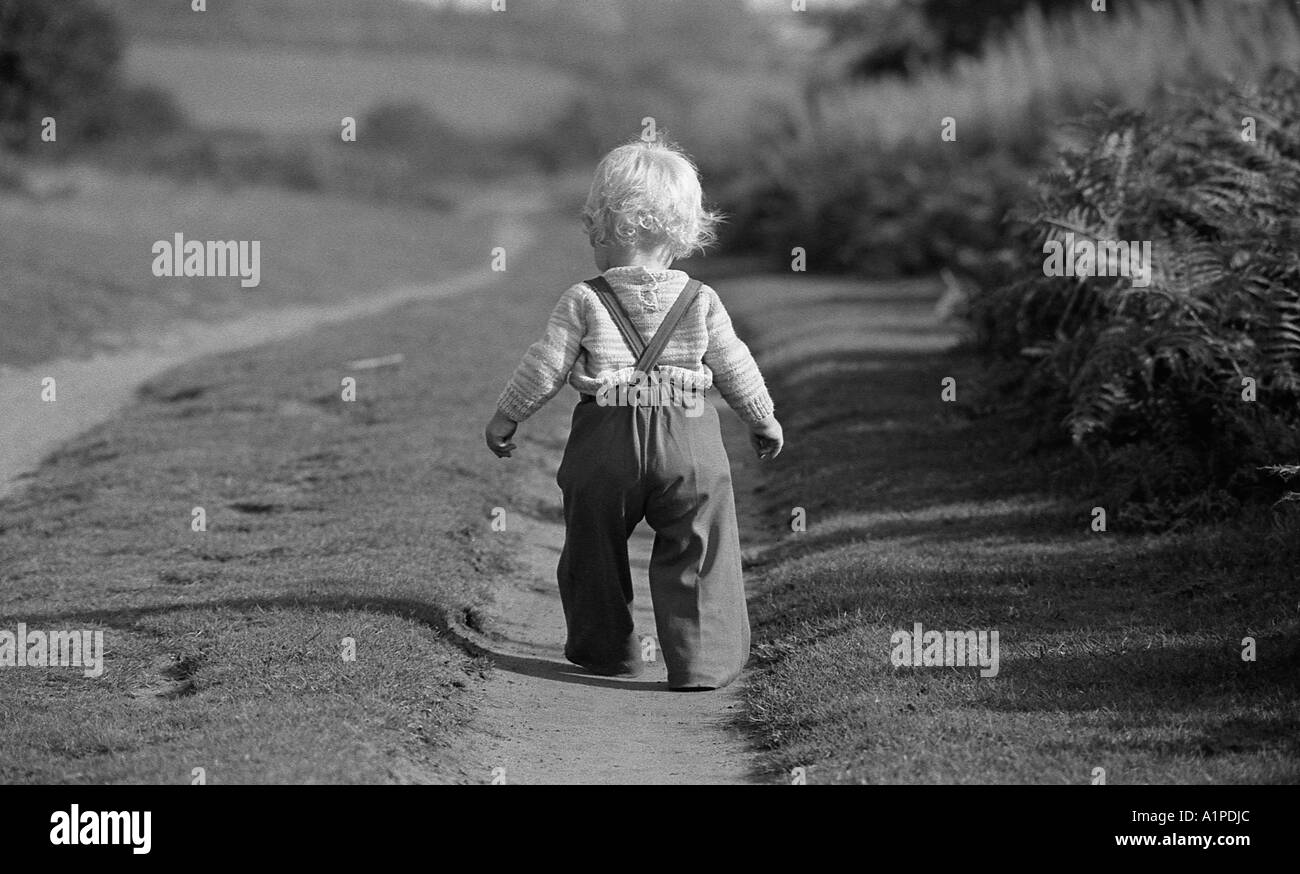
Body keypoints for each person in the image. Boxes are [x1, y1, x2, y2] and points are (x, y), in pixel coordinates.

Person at [484, 139, 784, 690]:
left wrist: (509, 415)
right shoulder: (700, 299)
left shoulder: (585, 298)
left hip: (606, 440)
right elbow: (733, 362)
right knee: (699, 546)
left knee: (591, 548)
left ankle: (606, 653)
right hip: (687, 437)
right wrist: (761, 417)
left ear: (601, 226)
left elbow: (545, 365)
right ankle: (702, 662)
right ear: (686, 230)